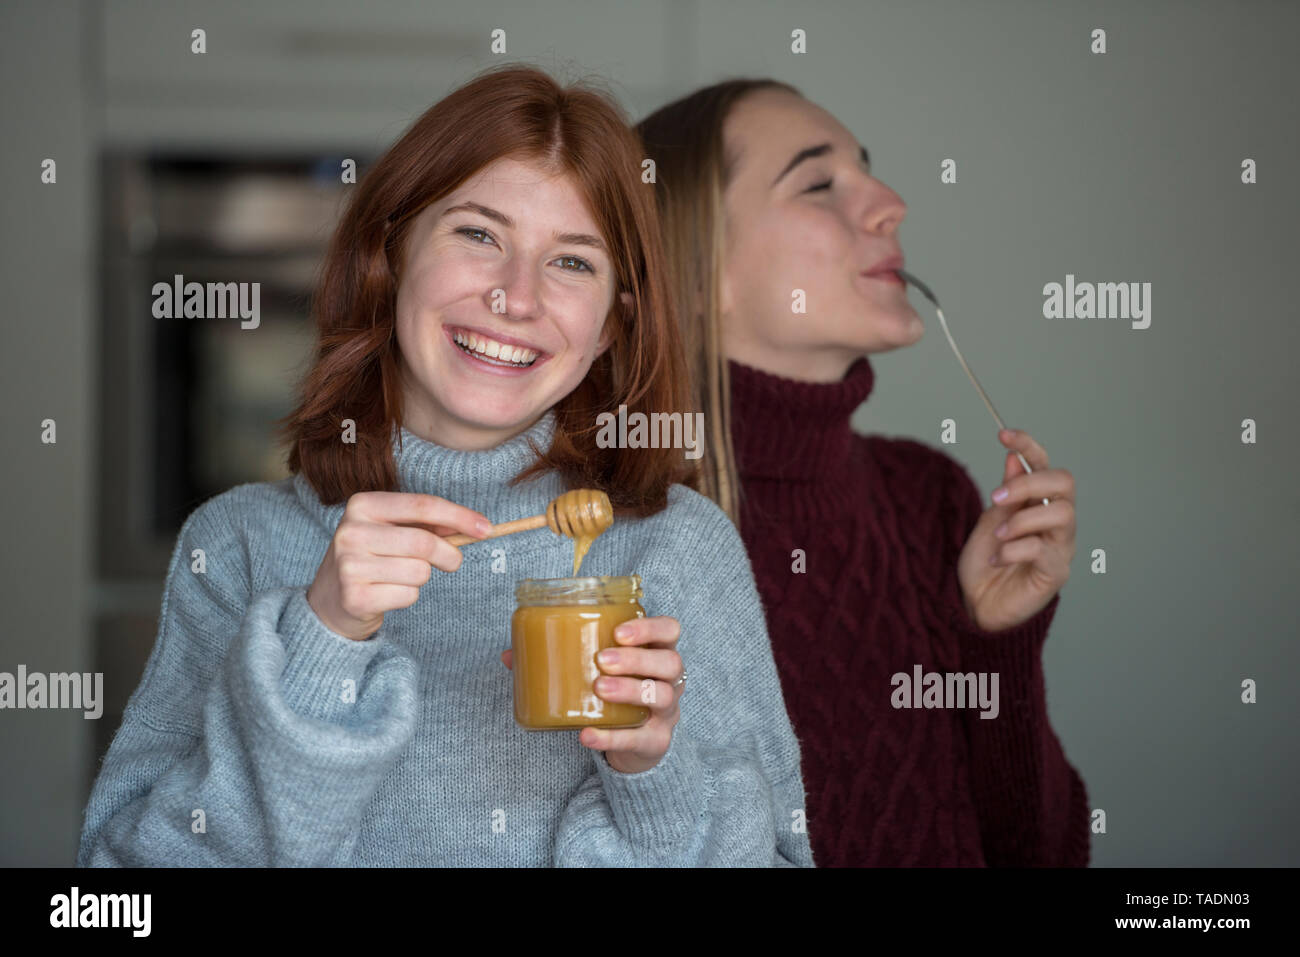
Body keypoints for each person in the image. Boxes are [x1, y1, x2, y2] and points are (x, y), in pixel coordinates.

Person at [77, 65, 813, 867]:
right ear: (389, 255)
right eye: (478, 235)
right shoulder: (236, 545)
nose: (515, 297)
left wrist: (653, 779)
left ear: (610, 325)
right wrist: (319, 645)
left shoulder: (679, 548)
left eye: (572, 262)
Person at [636, 80, 1089, 866]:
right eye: (818, 184)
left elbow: (1043, 855)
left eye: (868, 172)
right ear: (695, 275)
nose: (891, 204)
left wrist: (995, 642)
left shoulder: (935, 500)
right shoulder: (611, 533)